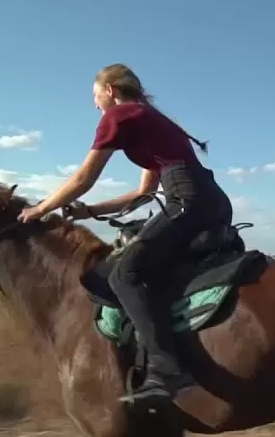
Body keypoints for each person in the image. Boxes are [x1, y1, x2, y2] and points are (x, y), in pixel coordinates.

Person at [16, 63, 234, 412]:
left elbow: (82, 178)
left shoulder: (120, 116)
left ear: (112, 90)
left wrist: (39, 210)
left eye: (95, 95)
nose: (95, 105)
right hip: (209, 200)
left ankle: (167, 371)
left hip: (187, 201)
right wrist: (89, 212)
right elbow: (142, 195)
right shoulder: (148, 120)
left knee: (124, 274)